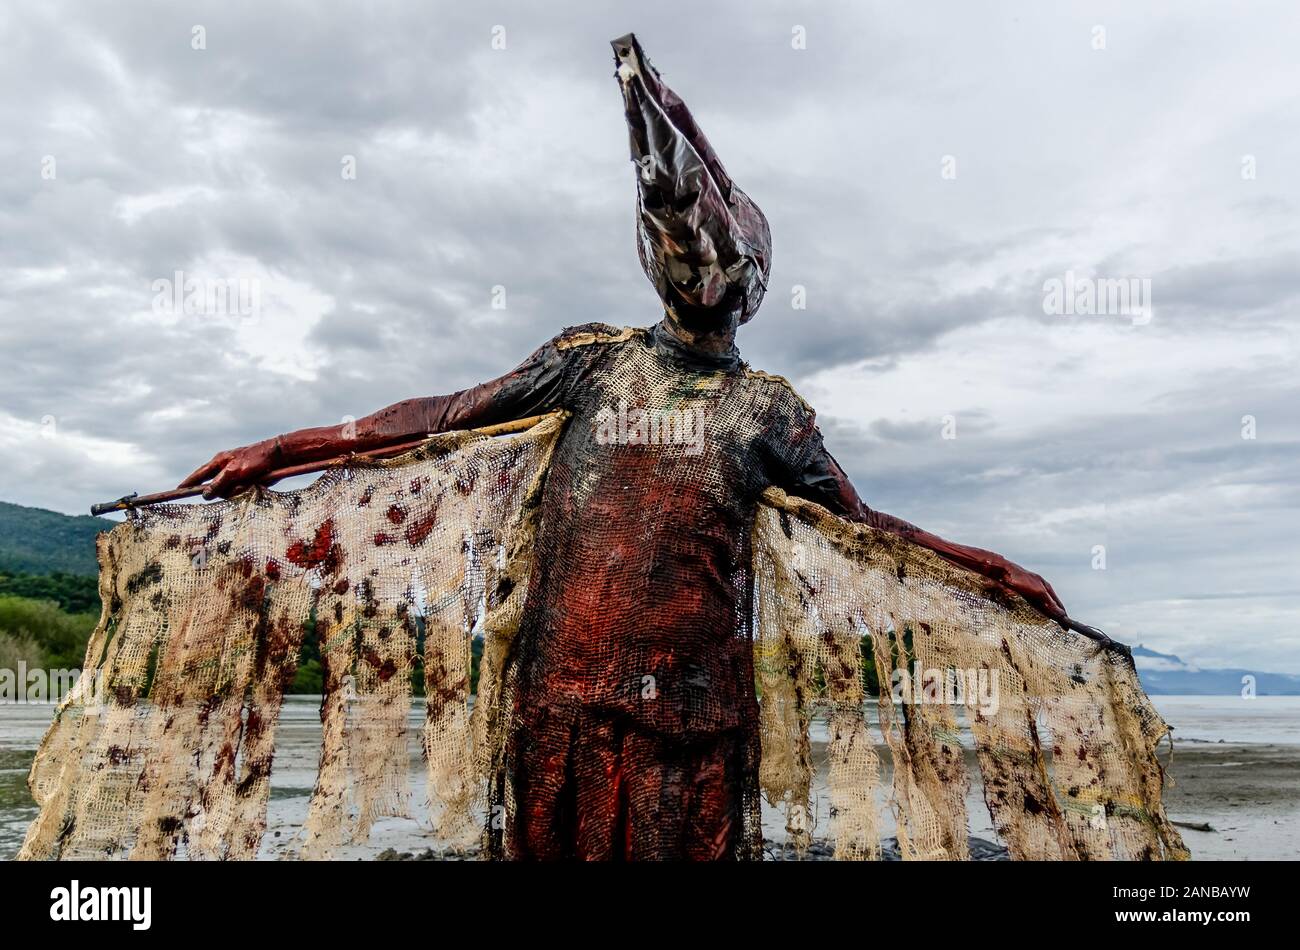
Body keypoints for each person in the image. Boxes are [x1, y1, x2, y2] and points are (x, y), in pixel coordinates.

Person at [179, 35, 1075, 860]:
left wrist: (991, 571)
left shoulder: (770, 413)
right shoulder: (588, 364)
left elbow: (867, 536)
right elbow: (437, 419)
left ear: (747, 293)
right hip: (561, 705)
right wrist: (283, 450)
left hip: (690, 720)